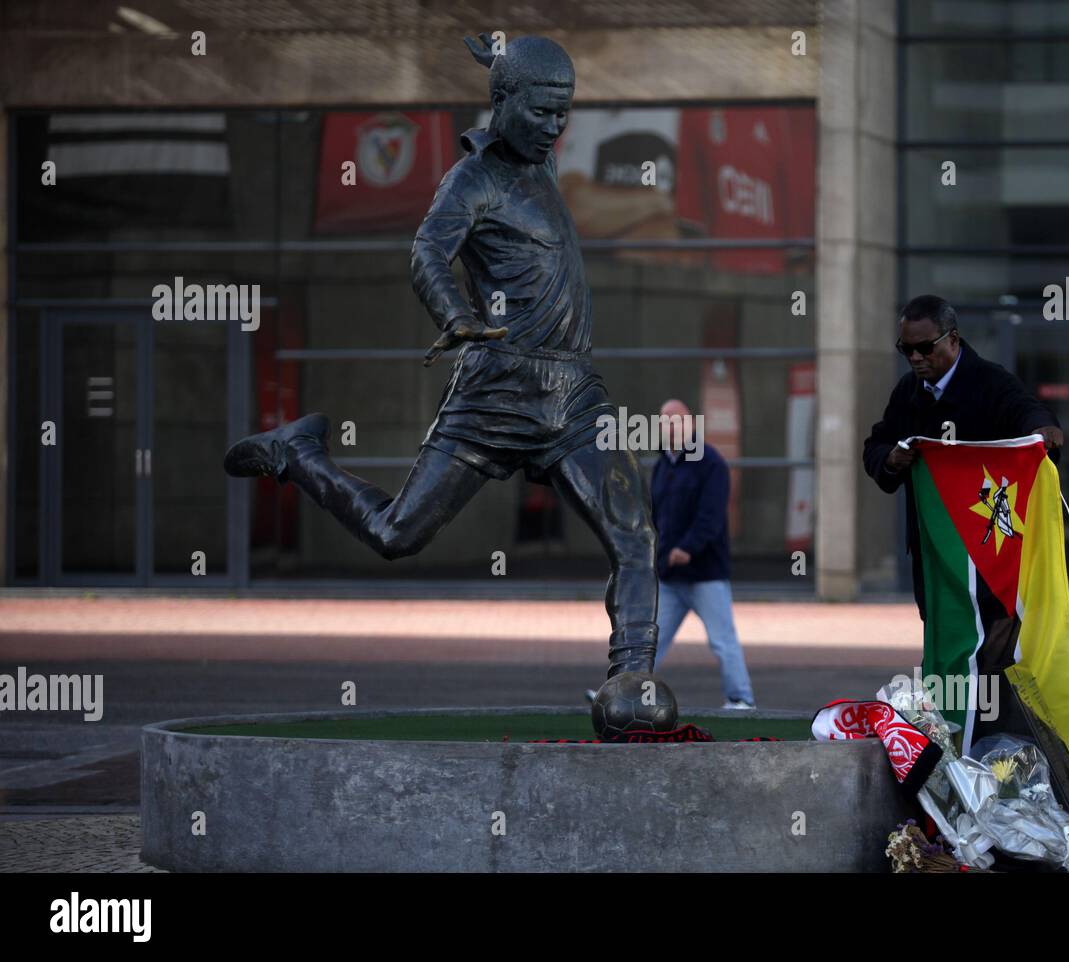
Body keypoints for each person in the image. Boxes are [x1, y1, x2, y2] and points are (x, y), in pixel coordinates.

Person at [223, 36, 664, 686]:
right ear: (504, 102)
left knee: (634, 534)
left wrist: (502, 52)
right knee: (397, 534)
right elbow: (426, 253)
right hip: (496, 392)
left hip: (573, 398)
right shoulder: (472, 179)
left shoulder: (539, 164)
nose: (554, 127)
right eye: (541, 112)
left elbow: (513, 78)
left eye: (563, 113)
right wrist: (456, 315)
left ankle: (631, 684)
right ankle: (301, 456)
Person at [862, 295, 1063, 619]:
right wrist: (889, 459)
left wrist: (1044, 430)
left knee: (990, 647)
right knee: (943, 643)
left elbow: (1026, 410)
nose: (915, 357)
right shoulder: (907, 392)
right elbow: (876, 444)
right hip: (933, 551)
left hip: (985, 551)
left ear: (952, 339)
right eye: (906, 349)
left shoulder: (990, 382)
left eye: (925, 348)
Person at [650, 399, 756, 709]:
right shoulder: (662, 466)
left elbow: (711, 516)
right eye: (663, 420)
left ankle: (741, 700)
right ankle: (622, 694)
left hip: (705, 573)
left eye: (675, 419)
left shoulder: (711, 463)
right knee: (649, 642)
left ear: (691, 425)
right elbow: (658, 518)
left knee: (722, 641)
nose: (668, 425)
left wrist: (687, 548)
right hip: (670, 577)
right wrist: (661, 556)